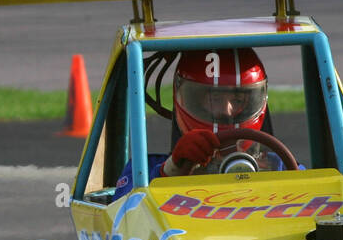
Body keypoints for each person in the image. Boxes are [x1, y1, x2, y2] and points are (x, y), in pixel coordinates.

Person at [113, 47, 288, 198]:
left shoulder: (280, 167)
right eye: (215, 99)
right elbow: (123, 215)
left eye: (237, 100)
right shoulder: (145, 173)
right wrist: (172, 170)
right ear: (190, 100)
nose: (226, 111)